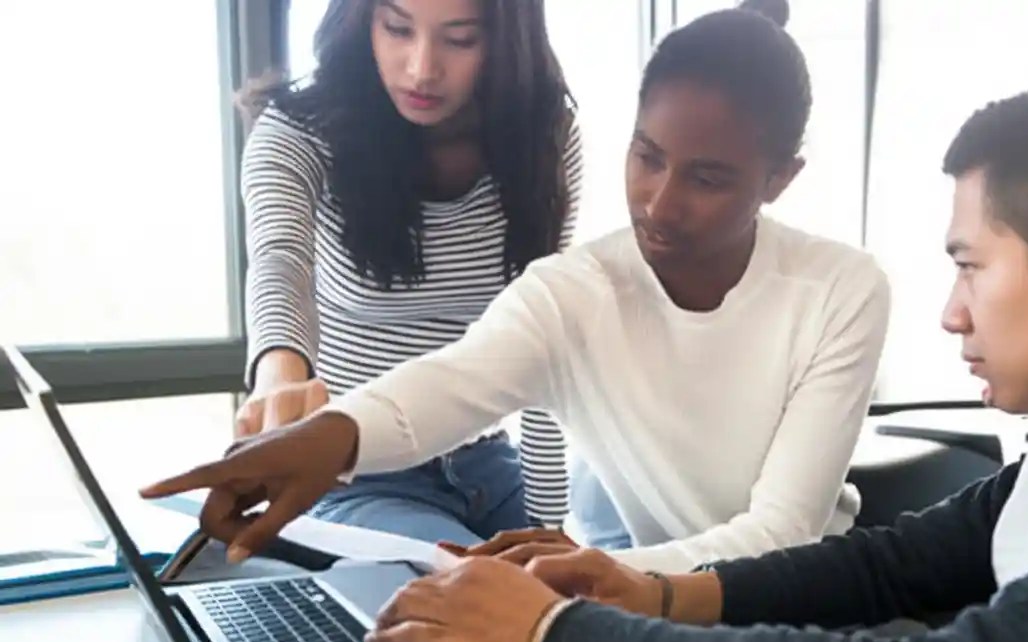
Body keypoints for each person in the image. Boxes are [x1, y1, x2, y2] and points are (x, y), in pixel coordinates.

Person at [353, 77, 1028, 642]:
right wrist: (654, 593)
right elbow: (891, 567)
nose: (953, 314)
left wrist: (557, 638)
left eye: (972, 268)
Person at [142, 1, 891, 574]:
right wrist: (308, 415)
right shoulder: (577, 289)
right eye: (646, 157)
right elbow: (454, 369)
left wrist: (565, 554)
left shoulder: (839, 288)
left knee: (489, 593)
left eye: (708, 178)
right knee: (461, 598)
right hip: (368, 464)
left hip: (791, 592)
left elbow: (782, 539)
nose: (421, 67)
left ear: (780, 180)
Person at [234, 0, 583, 546]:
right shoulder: (299, 132)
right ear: (361, 19)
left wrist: (548, 521)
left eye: (460, 39)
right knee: (473, 597)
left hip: (487, 465)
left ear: (506, 39)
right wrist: (280, 379)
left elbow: (543, 333)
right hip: (357, 472)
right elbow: (280, 261)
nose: (422, 68)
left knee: (575, 600)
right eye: (397, 28)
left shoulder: (545, 137)